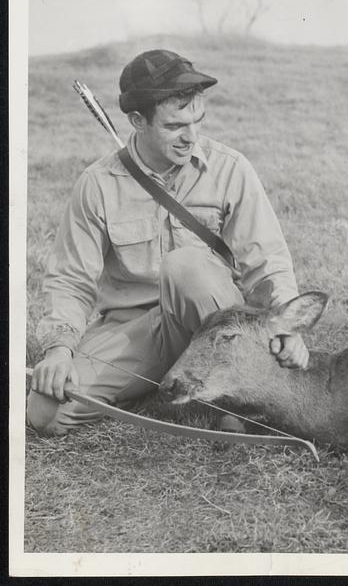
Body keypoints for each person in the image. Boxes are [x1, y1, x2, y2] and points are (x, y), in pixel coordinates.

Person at [28, 49, 308, 436]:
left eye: (198, 120)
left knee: (186, 265)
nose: (191, 136)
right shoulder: (96, 184)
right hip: (135, 330)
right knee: (47, 413)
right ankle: (169, 382)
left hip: (212, 325)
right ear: (138, 121)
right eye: (175, 125)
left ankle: (233, 388)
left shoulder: (231, 168)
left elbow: (268, 261)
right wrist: (59, 350)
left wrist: (286, 329)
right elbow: (70, 280)